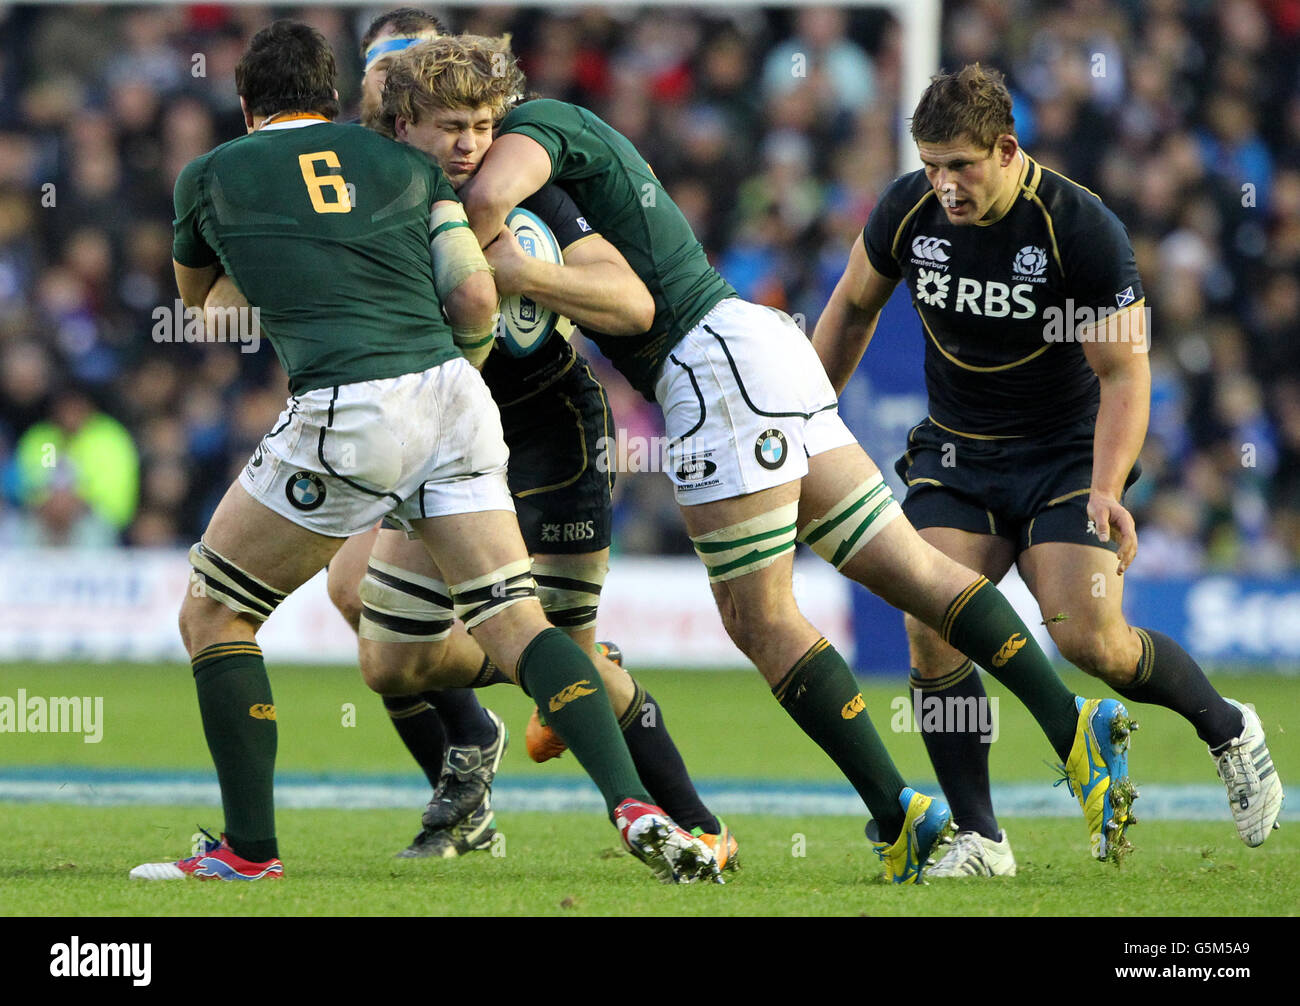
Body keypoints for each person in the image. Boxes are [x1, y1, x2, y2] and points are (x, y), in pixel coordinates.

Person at [457, 48, 1137, 883]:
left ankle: (901, 817)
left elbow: (495, 202)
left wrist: (478, 252)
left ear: (500, 110)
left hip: (710, 370)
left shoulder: (534, 133)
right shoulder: (563, 153)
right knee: (917, 576)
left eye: (471, 126)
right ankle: (1072, 725)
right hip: (760, 349)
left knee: (760, 618)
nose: (466, 146)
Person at [129, 20, 719, 885]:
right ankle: (634, 805)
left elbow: (204, 305)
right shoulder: (409, 170)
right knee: (519, 623)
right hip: (458, 398)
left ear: (246, 105)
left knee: (215, 614)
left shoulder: (210, 174)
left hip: (350, 403)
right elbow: (474, 297)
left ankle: (247, 851)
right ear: (332, 99)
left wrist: (288, 262)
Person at [812, 64, 1283, 877]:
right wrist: (804, 414)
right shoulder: (908, 210)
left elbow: (1127, 374)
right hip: (957, 451)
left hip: (1065, 456)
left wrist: (1107, 487)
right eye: (930, 165)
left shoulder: (1080, 227)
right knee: (928, 625)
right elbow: (854, 304)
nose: (944, 184)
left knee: (1090, 639)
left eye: (960, 165)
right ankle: (981, 838)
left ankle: (1229, 728)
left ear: (1006, 148)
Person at [337, 31, 739, 867]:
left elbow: (629, 303)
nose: (469, 144)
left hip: (552, 431)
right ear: (400, 117)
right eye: (452, 126)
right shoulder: (369, 197)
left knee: (568, 659)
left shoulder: (528, 195)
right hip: (443, 443)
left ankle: (698, 825)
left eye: (482, 126)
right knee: (390, 662)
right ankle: (556, 665)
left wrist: (524, 275)